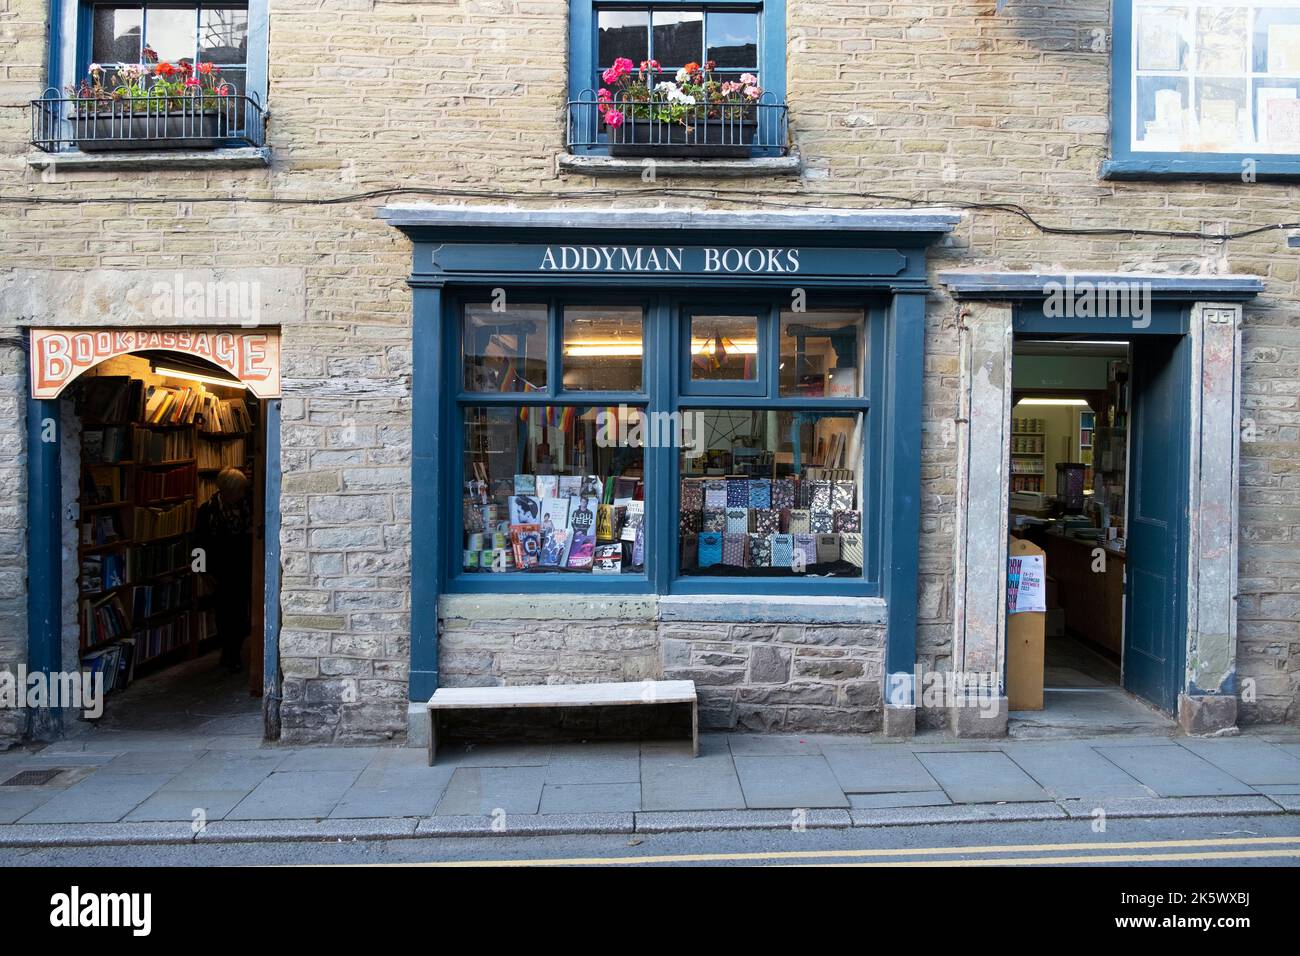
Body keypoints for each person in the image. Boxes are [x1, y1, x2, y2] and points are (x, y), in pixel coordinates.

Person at [195, 467, 253, 673]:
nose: (242, 494)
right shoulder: (207, 511)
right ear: (228, 490)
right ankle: (229, 654)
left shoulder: (248, 507)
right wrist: (201, 573)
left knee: (241, 615)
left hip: (244, 569)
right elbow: (198, 544)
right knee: (224, 615)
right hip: (220, 572)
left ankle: (234, 653)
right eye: (239, 490)